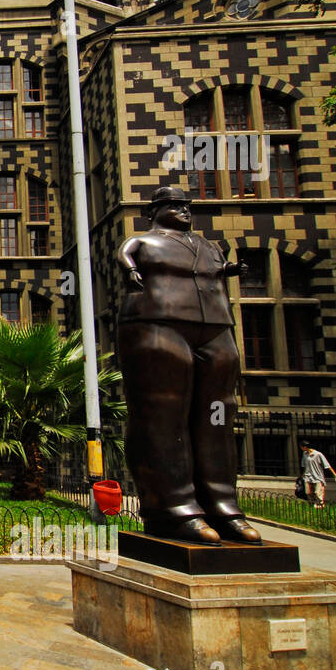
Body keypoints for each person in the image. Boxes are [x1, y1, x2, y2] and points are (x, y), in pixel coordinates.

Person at [116, 186, 260, 543]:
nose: (183, 210)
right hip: (159, 321)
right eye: (173, 205)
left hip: (214, 328)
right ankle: (174, 507)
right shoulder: (141, 243)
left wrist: (232, 268)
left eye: (185, 205)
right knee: (164, 416)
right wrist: (131, 271)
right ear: (155, 211)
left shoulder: (209, 246)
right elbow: (125, 259)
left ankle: (223, 505)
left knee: (217, 415)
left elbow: (218, 272)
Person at [299, 441, 336, 509]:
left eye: (301, 447)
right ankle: (312, 505)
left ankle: (320, 506)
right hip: (308, 477)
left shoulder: (318, 454)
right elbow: (304, 466)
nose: (301, 448)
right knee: (308, 492)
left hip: (317, 477)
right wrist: (303, 475)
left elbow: (327, 465)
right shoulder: (305, 454)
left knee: (318, 493)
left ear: (304, 447)